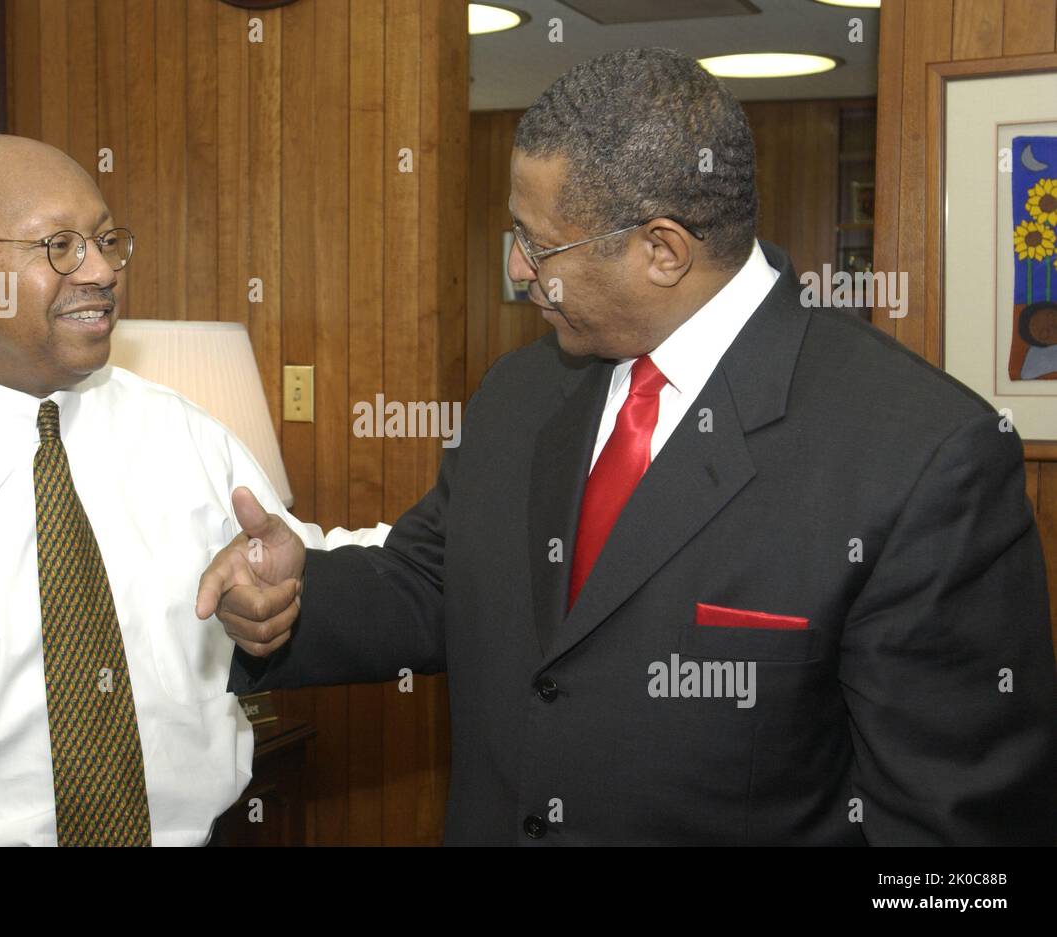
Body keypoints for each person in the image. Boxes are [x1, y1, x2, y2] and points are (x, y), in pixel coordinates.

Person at [198, 48, 1057, 845]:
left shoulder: (922, 456)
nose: (520, 272)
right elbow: (433, 578)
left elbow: (956, 841)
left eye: (540, 247)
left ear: (662, 249)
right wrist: (293, 594)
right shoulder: (520, 393)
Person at [0, 134, 384, 845]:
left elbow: (308, 569)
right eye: (58, 245)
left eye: (106, 238)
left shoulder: (185, 436)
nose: (101, 270)